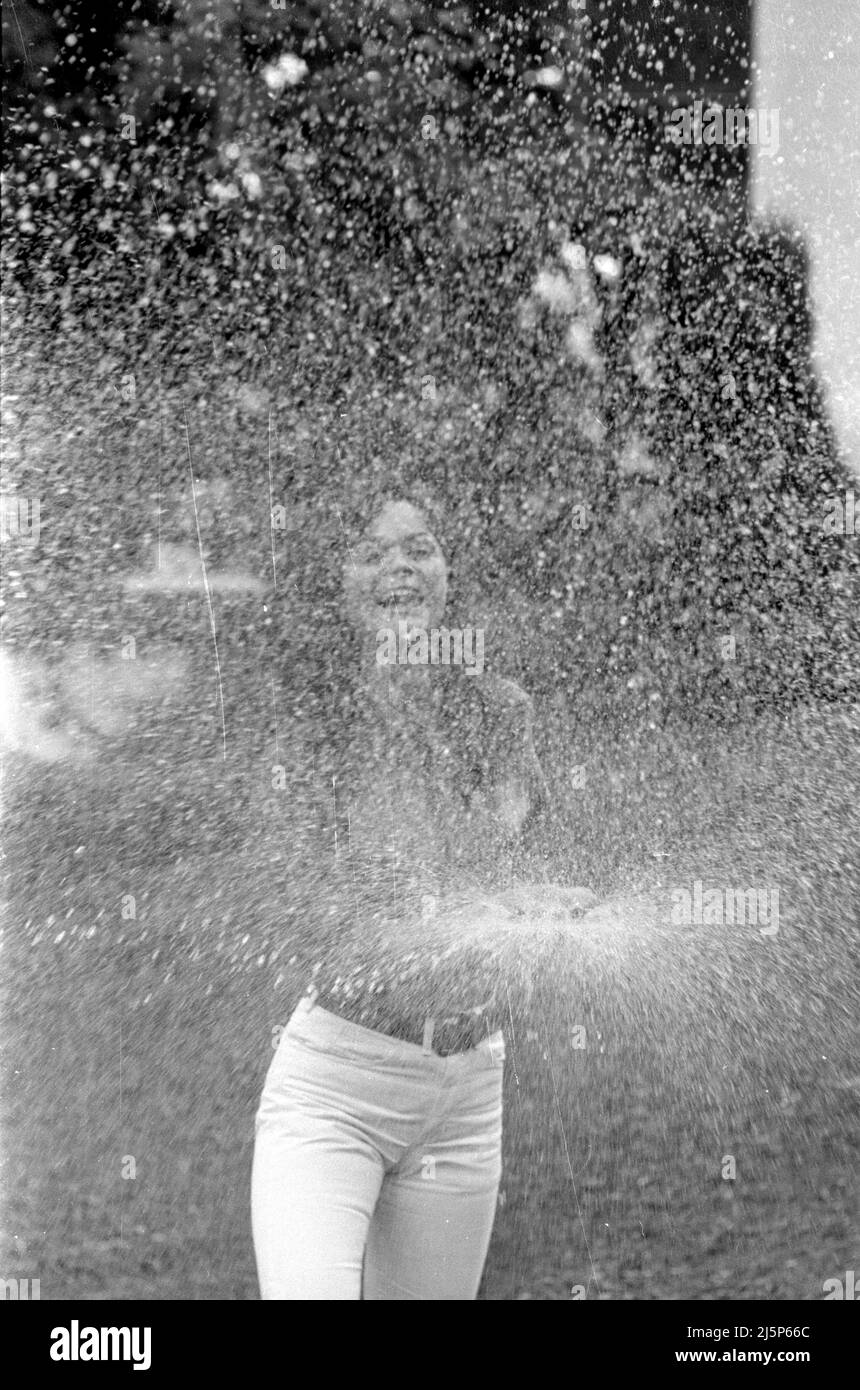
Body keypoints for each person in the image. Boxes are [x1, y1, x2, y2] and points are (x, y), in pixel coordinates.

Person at [249, 475, 596, 1300]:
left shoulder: (501, 711)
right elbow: (312, 917)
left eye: (421, 548)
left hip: (467, 1097)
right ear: (338, 582)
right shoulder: (309, 724)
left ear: (450, 574)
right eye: (373, 552)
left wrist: (549, 907)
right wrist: (479, 920)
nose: (400, 566)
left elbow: (526, 868)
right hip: (336, 1091)